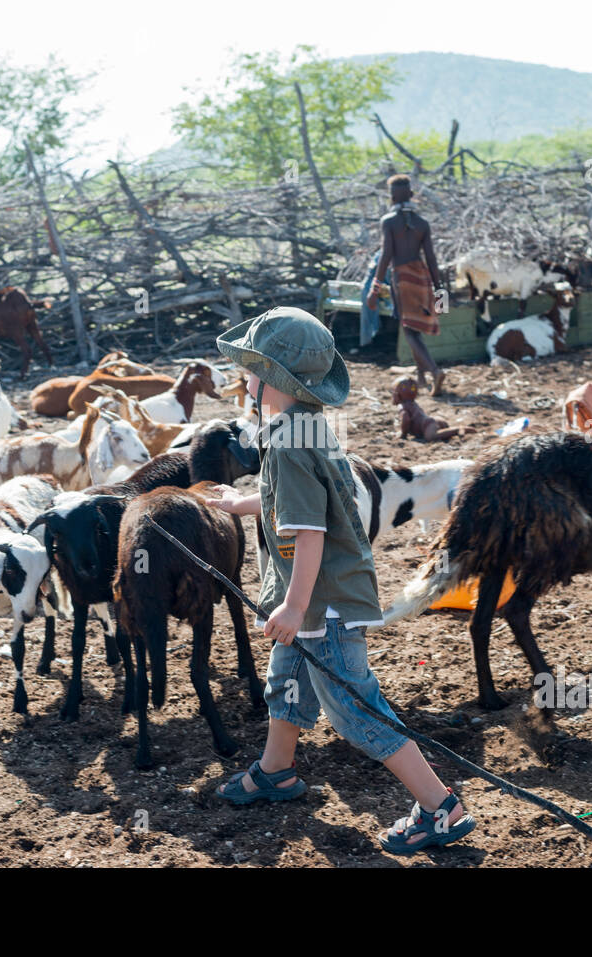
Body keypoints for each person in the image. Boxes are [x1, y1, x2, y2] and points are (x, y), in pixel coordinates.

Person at [206, 305, 475, 855]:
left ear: (271, 379)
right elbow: (302, 503)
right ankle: (276, 770)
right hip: (314, 600)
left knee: (355, 709)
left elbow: (309, 534)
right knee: (287, 683)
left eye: (250, 370)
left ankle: (440, 807)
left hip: (321, 605)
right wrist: (243, 501)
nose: (244, 380)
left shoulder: (286, 445)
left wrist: (292, 607)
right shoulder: (306, 428)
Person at [368, 174, 445, 395]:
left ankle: (434, 371)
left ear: (391, 197)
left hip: (402, 279)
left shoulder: (388, 222)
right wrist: (440, 290)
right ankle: (421, 377)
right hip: (421, 277)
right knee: (415, 329)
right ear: (411, 195)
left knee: (409, 331)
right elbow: (431, 258)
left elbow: (386, 256)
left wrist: (374, 289)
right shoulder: (423, 224)